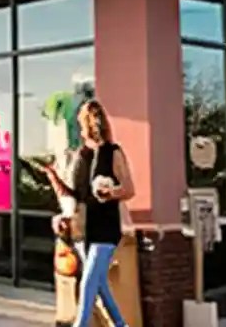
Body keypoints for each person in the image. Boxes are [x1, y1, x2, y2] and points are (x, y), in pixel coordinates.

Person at [69, 99, 134, 327]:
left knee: (88, 283)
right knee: (100, 285)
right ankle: (121, 325)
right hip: (85, 228)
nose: (82, 128)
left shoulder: (113, 153)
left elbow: (129, 189)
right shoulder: (84, 156)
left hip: (106, 229)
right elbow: (77, 194)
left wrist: (110, 192)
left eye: (83, 123)